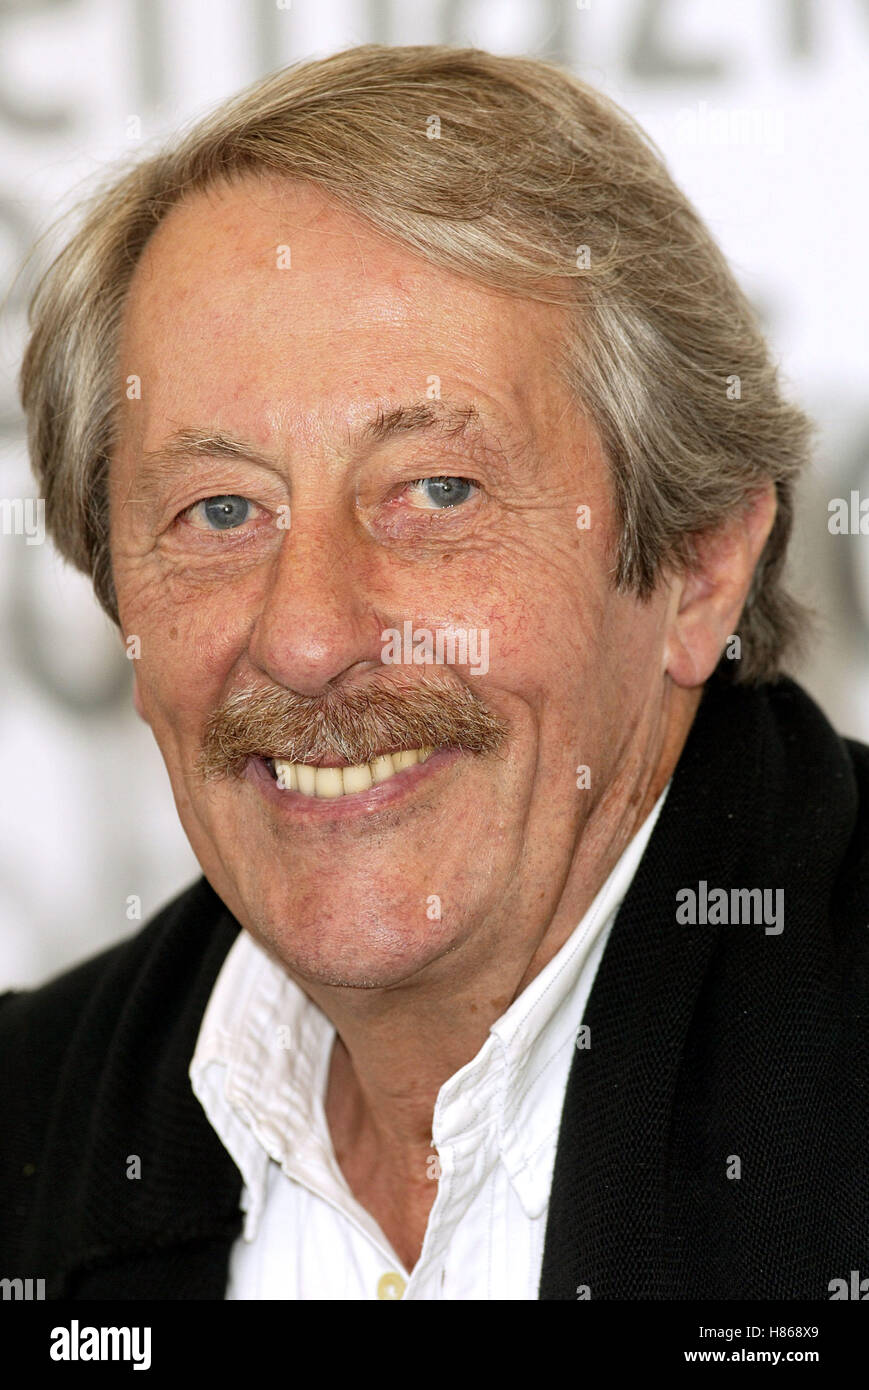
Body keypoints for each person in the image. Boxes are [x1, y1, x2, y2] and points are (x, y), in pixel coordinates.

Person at [2, 43, 866, 1301]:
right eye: (220, 511)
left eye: (435, 490)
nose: (305, 637)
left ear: (696, 564)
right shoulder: (31, 1129)